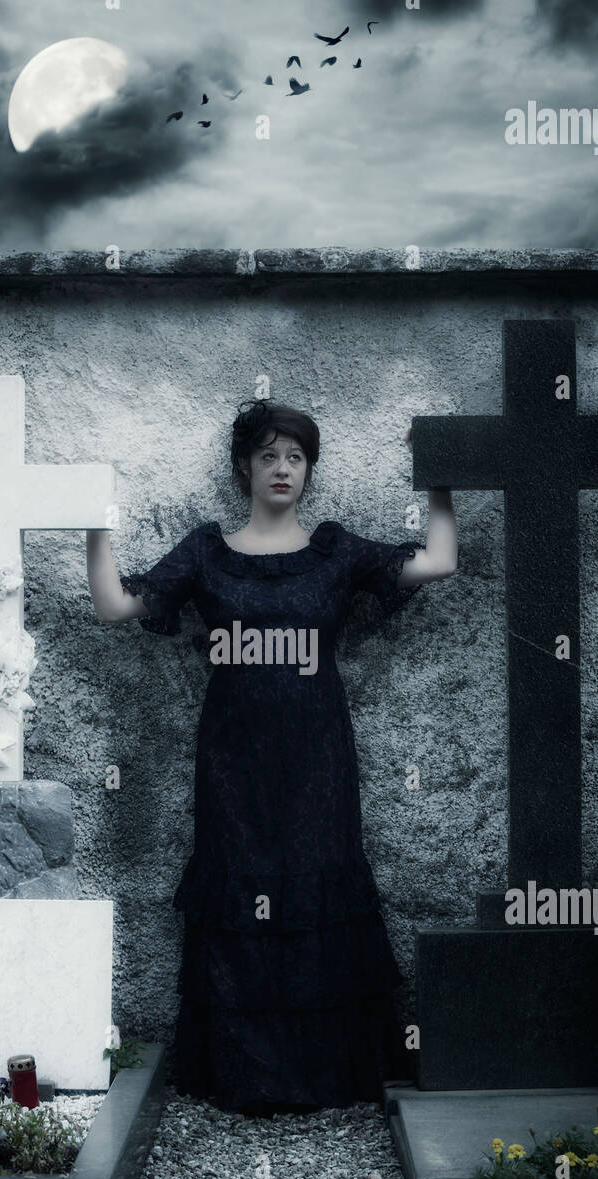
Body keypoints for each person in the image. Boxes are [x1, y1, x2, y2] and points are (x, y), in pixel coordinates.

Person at [86, 399, 457, 1117]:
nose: (282, 468)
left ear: (308, 470)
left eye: (294, 457)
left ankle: (321, 1074)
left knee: (315, 893)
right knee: (244, 896)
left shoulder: (336, 550)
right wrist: (92, 521)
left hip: (318, 758)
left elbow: (440, 560)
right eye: (268, 456)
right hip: (231, 762)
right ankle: (247, 1075)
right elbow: (113, 606)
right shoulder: (205, 551)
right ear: (243, 468)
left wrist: (440, 475)